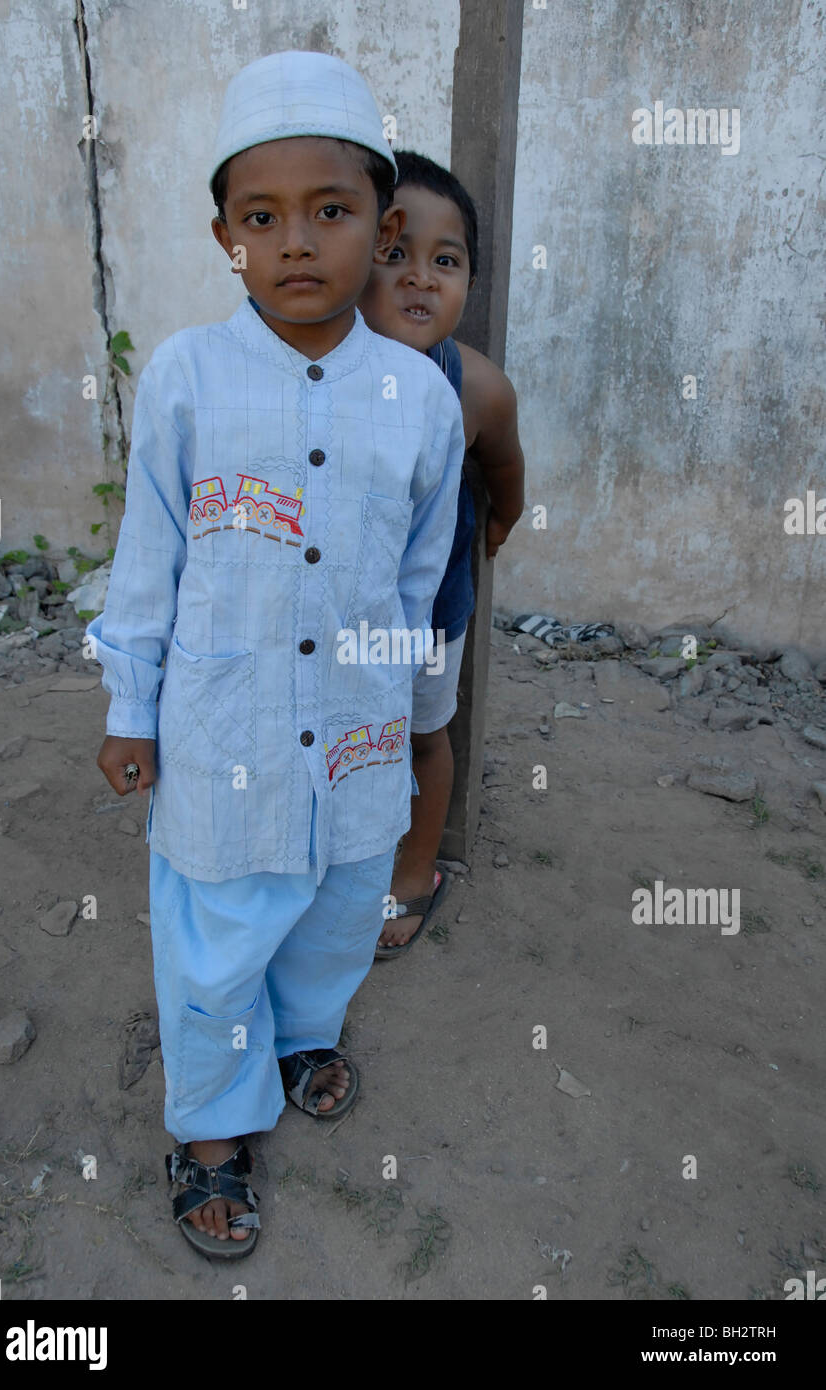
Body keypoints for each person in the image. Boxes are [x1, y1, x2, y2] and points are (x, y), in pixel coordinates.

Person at [86, 54, 465, 1258]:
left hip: (354, 730)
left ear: (383, 228)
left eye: (331, 211)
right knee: (216, 938)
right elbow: (149, 554)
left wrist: (410, 711)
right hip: (226, 730)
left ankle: (301, 1037)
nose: (296, 241)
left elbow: (418, 576)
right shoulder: (188, 377)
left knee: (337, 912)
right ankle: (211, 1131)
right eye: (262, 218)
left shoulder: (421, 400)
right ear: (226, 239)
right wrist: (132, 704)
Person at [358, 151, 526, 958]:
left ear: (468, 279)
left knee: (425, 736)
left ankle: (414, 871)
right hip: (340, 615)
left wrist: (498, 526)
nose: (420, 278)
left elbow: (506, 470)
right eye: (395, 254)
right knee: (344, 734)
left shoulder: (478, 388)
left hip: (431, 616)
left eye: (446, 261)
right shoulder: (321, 376)